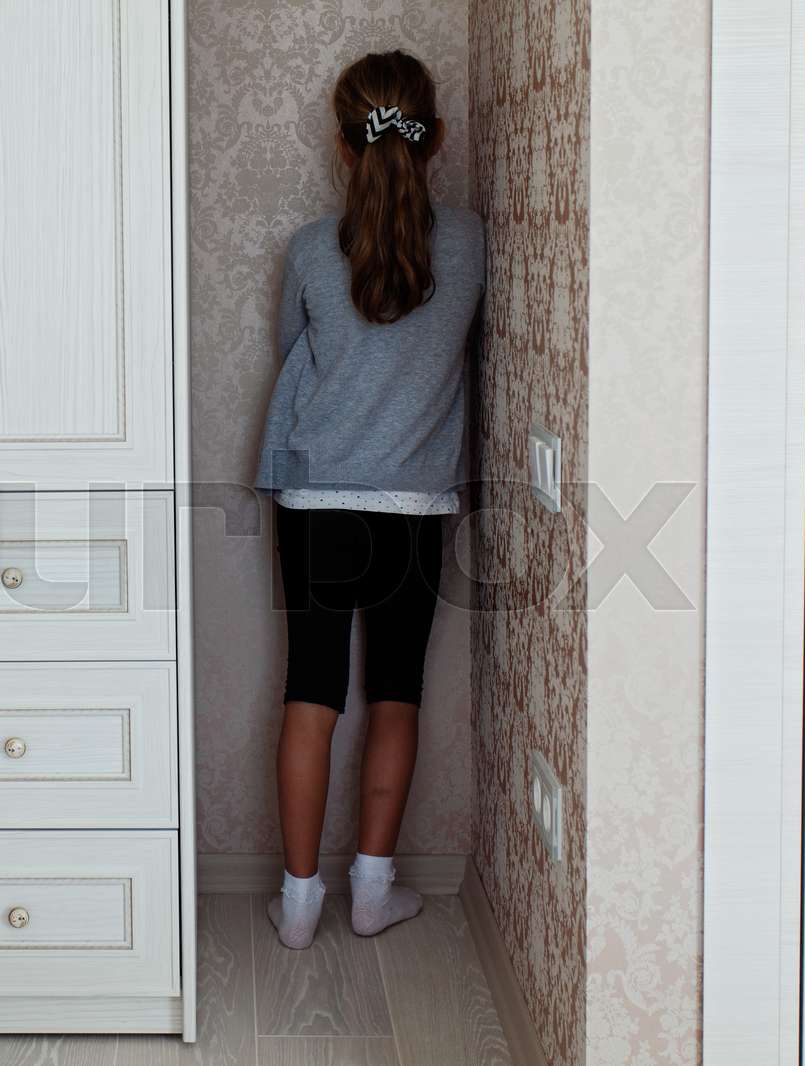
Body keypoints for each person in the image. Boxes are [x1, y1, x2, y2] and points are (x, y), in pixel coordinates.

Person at [253, 50, 484, 950]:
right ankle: (374, 893)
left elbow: (293, 350)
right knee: (397, 693)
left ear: (342, 147)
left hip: (315, 497)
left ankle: (300, 905)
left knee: (309, 693)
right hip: (415, 503)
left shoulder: (312, 248)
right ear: (438, 139)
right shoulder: (468, 241)